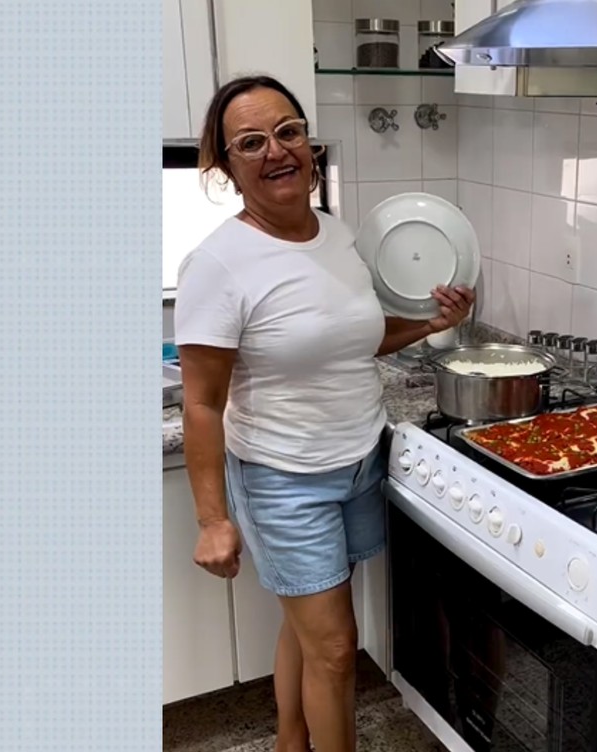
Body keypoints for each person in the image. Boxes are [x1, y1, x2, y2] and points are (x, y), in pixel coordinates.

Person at [174, 74, 474, 752]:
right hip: (284, 479)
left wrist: (430, 324)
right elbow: (202, 402)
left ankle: (291, 741)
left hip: (360, 460)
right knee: (337, 649)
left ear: (309, 143)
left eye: (288, 131)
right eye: (251, 142)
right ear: (226, 167)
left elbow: (356, 337)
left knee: (309, 629)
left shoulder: (337, 236)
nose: (277, 150)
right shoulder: (218, 264)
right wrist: (213, 520)